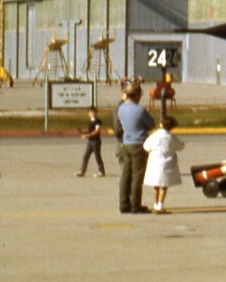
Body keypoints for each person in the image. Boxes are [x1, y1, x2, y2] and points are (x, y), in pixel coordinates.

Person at [115, 84, 154, 214]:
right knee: (137, 176)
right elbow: (151, 125)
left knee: (125, 175)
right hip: (138, 143)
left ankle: (123, 204)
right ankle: (135, 205)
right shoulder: (140, 110)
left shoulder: (121, 109)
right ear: (137, 95)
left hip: (126, 143)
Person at [142, 116, 184, 214]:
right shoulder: (171, 137)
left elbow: (146, 146)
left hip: (154, 162)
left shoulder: (154, 136)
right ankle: (160, 205)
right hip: (167, 163)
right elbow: (180, 147)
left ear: (161, 125)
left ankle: (155, 204)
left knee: (156, 185)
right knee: (164, 185)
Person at [75, 106, 106, 177]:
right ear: (88, 114)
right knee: (85, 156)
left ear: (96, 113)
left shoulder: (98, 121)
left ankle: (101, 171)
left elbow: (96, 131)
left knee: (97, 156)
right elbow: (90, 131)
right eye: (91, 112)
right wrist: (83, 131)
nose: (92, 113)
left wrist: (87, 136)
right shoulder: (90, 122)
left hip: (96, 141)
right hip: (90, 142)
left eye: (94, 112)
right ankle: (82, 171)